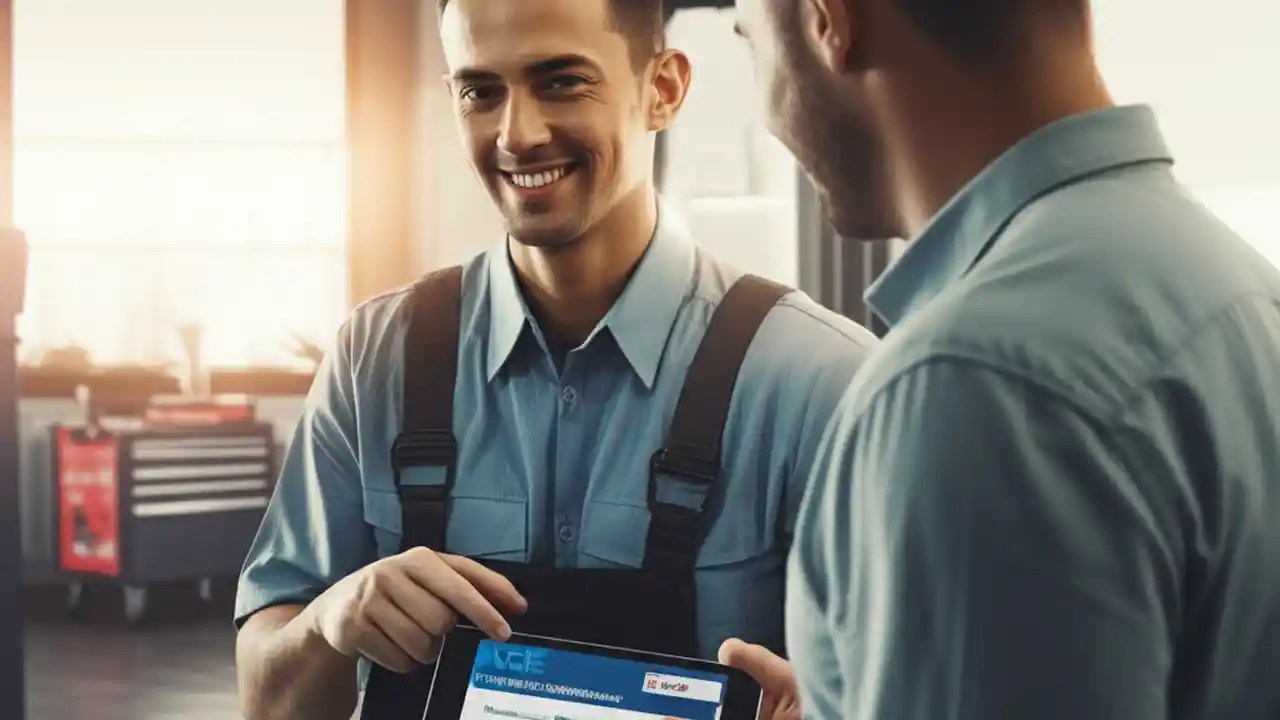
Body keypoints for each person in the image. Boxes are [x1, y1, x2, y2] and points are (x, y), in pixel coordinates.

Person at [233, 0, 877, 718]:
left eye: (562, 81)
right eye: (482, 91)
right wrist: (330, 622)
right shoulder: (371, 361)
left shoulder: (823, 383)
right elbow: (268, 702)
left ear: (661, 89)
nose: (518, 134)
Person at [723, 0, 1280, 718]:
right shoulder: (1235, 284)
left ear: (829, 19)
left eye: (753, 45)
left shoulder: (971, 386)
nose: (764, 112)